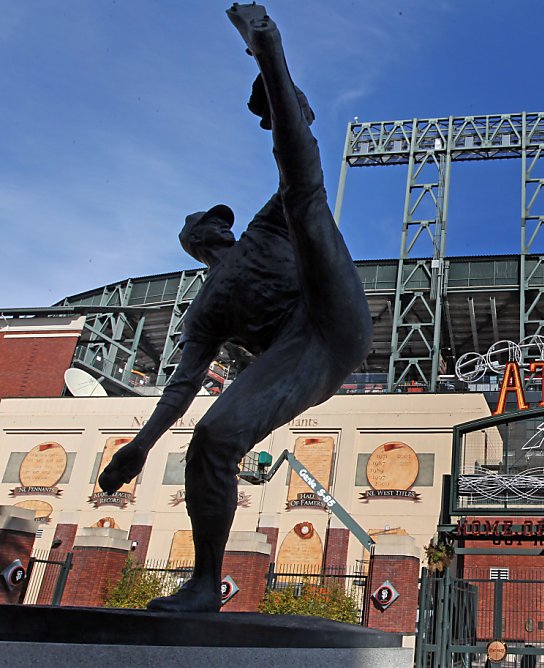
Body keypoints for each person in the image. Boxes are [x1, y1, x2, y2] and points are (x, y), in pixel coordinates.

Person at [98, 3, 372, 612]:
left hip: (331, 315)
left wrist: (274, 82)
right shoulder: (206, 309)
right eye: (198, 232)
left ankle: (270, 43)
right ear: (198, 244)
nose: (204, 234)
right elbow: (180, 387)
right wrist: (141, 447)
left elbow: (300, 150)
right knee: (213, 438)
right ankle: (205, 585)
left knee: (303, 198)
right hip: (305, 352)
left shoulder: (261, 231)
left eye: (204, 227)